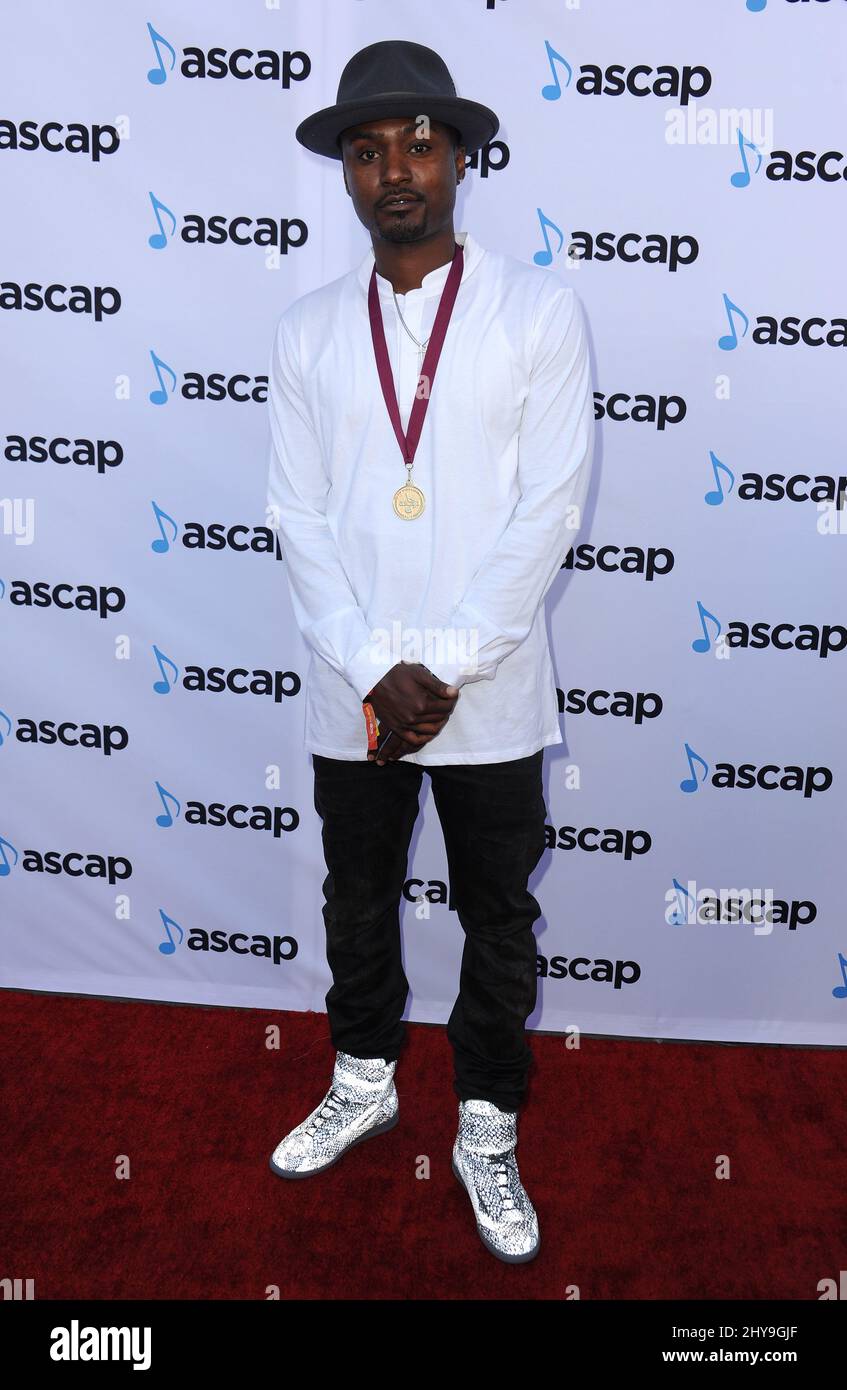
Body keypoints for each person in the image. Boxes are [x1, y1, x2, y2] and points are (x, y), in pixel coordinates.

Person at [265, 39, 595, 1264]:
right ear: (345, 174)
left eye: (418, 142)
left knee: (495, 911)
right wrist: (370, 666)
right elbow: (296, 517)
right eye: (367, 149)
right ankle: (363, 1076)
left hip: (491, 687)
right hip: (352, 689)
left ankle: (487, 1116)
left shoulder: (539, 309)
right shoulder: (305, 331)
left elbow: (549, 508)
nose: (394, 168)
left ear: (461, 157)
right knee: (356, 896)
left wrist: (444, 661)